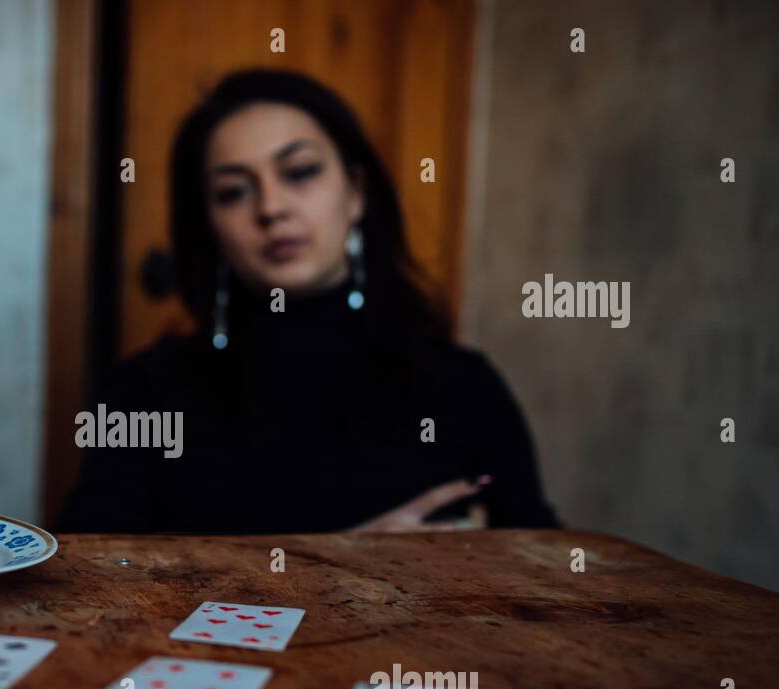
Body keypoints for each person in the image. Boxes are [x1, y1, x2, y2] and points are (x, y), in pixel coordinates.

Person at [56, 69, 557, 535]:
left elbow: (547, 576)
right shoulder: (146, 393)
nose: (272, 208)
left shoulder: (463, 386)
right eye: (232, 192)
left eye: (299, 172)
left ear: (356, 193)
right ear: (208, 224)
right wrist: (336, 570)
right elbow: (87, 575)